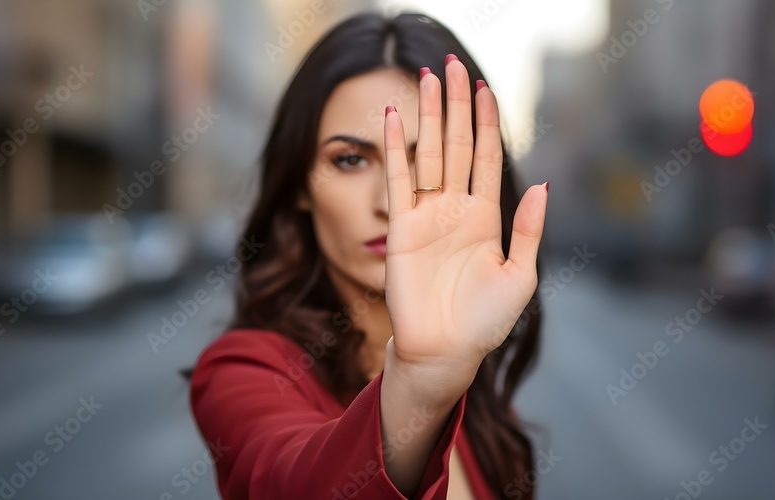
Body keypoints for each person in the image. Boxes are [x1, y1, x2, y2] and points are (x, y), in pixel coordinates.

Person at [189, 11, 549, 500]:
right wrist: (418, 380)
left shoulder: (474, 384)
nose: (389, 203)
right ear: (299, 186)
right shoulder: (242, 372)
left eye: (426, 160)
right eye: (351, 159)